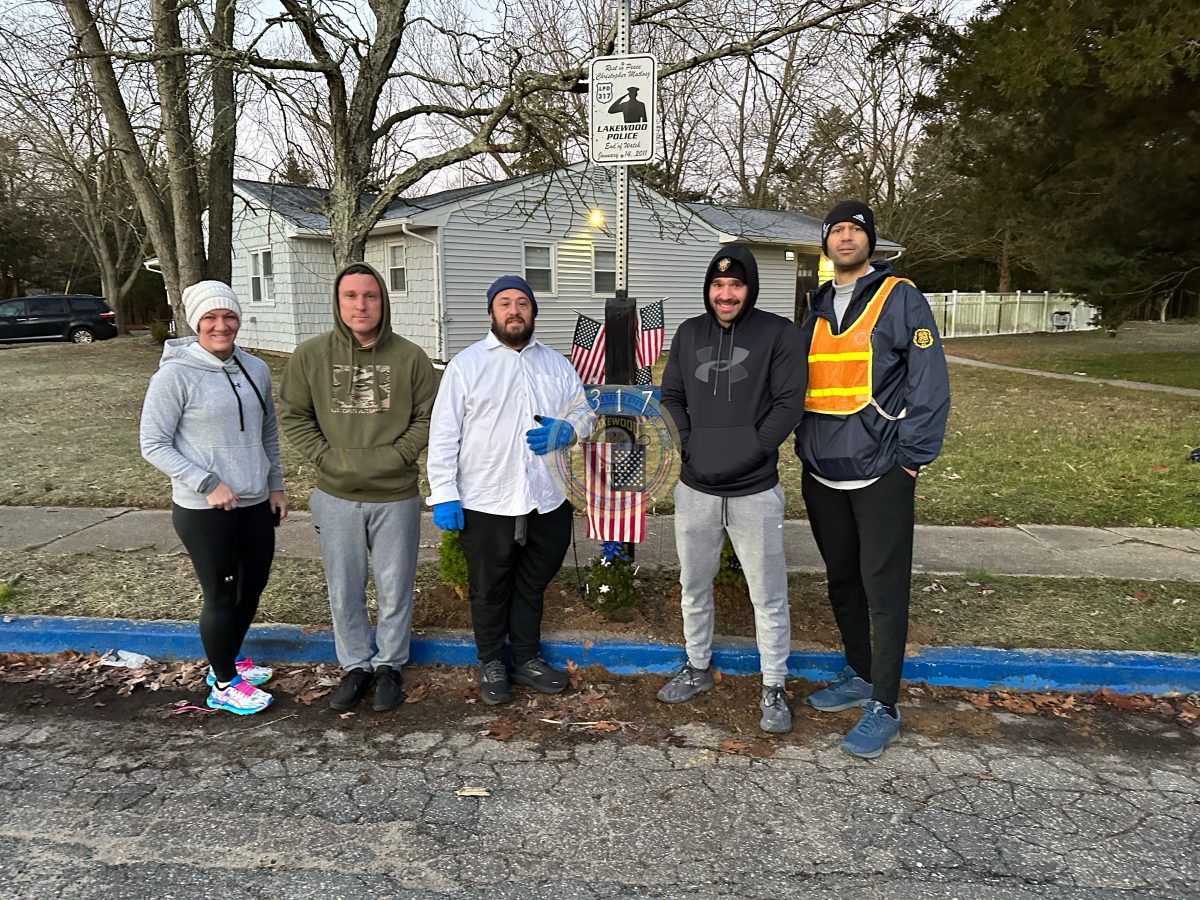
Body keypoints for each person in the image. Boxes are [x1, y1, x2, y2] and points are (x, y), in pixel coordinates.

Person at [796, 200, 950, 759]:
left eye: (854, 231)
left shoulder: (900, 297)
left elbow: (929, 383)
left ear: (870, 242)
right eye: (835, 230)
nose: (844, 238)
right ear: (825, 243)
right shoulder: (813, 307)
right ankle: (859, 673)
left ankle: (884, 702)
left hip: (883, 470)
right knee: (843, 581)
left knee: (884, 591)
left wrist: (912, 458)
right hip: (823, 473)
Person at [657, 244, 807, 733]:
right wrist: (688, 448)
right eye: (718, 285)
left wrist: (752, 451)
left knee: (768, 594)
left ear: (750, 289)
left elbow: (788, 403)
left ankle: (773, 686)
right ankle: (697, 667)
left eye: (735, 285)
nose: (726, 294)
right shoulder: (688, 333)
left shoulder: (778, 334)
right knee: (693, 586)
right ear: (709, 289)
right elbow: (673, 396)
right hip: (696, 488)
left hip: (754, 489)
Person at [278, 263, 437, 712]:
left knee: (395, 585)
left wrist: (395, 456)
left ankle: (388, 665)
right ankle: (355, 666)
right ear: (338, 302)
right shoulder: (310, 356)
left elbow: (428, 417)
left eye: (370, 295)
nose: (361, 304)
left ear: (383, 301)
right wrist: (327, 458)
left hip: (396, 494)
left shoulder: (411, 358)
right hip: (336, 495)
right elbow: (293, 414)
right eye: (351, 296)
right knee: (344, 586)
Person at [427, 275, 592, 705]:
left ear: (533, 311)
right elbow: (444, 435)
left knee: (532, 582)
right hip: (487, 499)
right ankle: (491, 662)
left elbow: (585, 414)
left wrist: (568, 431)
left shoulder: (556, 364)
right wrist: (443, 492)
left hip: (545, 497)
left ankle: (525, 658)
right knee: (489, 585)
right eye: (504, 302)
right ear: (491, 312)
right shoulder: (466, 366)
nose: (514, 310)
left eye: (522, 302)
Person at [140, 281, 286, 715]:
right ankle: (223, 682)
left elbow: (268, 433)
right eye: (210, 318)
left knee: (252, 587)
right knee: (221, 595)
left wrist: (275, 485)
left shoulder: (255, 368)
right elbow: (153, 443)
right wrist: (207, 483)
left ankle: (229, 656)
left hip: (256, 500)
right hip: (205, 509)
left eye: (229, 316)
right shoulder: (175, 375)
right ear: (195, 322)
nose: (221, 325)